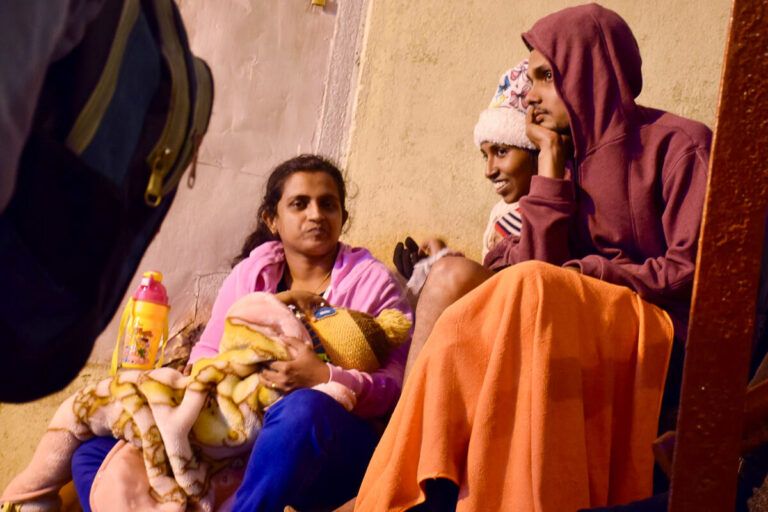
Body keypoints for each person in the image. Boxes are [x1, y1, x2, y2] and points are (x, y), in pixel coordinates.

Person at [355, 4, 711, 511]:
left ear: (589, 67)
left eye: (545, 75)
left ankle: (410, 481)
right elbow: (529, 272)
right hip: (566, 327)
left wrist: (591, 273)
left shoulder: (678, 144)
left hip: (659, 333)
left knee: (531, 287)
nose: (532, 94)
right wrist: (549, 170)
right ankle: (402, 470)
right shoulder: (563, 164)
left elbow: (694, 272)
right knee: (460, 278)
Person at [69, 154, 412, 511]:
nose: (316, 215)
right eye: (300, 204)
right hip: (237, 431)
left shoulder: (374, 283)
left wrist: (322, 375)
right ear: (272, 219)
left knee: (304, 409)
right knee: (95, 452)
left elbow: (396, 387)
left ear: (342, 216)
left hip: (325, 445)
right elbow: (207, 352)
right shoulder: (251, 276)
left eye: (328, 204)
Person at [394, 60, 538, 377]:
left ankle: (405, 417)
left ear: (536, 150)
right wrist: (440, 260)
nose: (489, 170)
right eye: (484, 156)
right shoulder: (502, 214)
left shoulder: (553, 209)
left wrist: (450, 270)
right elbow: (493, 278)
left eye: (502, 152)